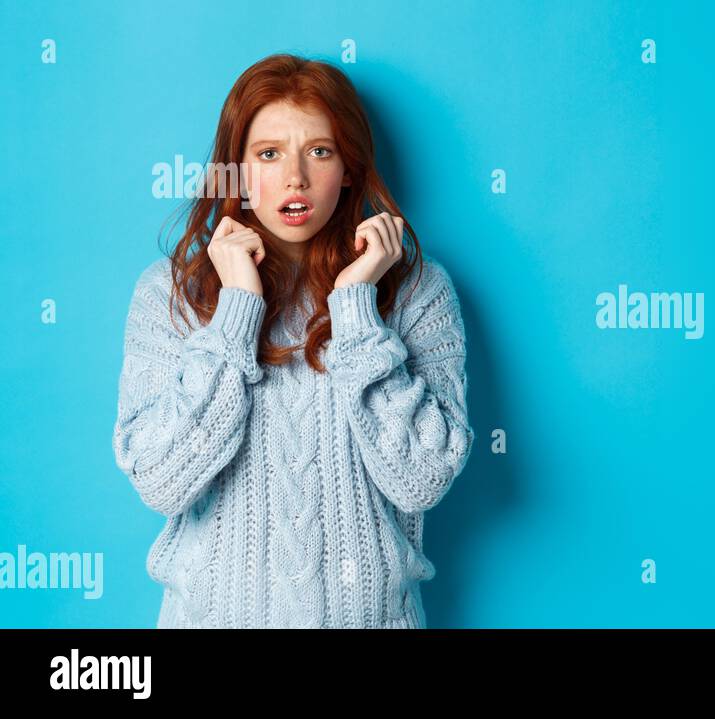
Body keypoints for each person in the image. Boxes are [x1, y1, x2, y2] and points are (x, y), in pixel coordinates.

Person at [111, 53, 474, 628]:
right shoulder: (172, 292)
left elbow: (422, 478)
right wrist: (236, 313)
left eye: (320, 151)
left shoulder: (415, 290)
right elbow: (160, 480)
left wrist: (356, 310)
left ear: (349, 167)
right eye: (269, 153)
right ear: (236, 169)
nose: (295, 178)